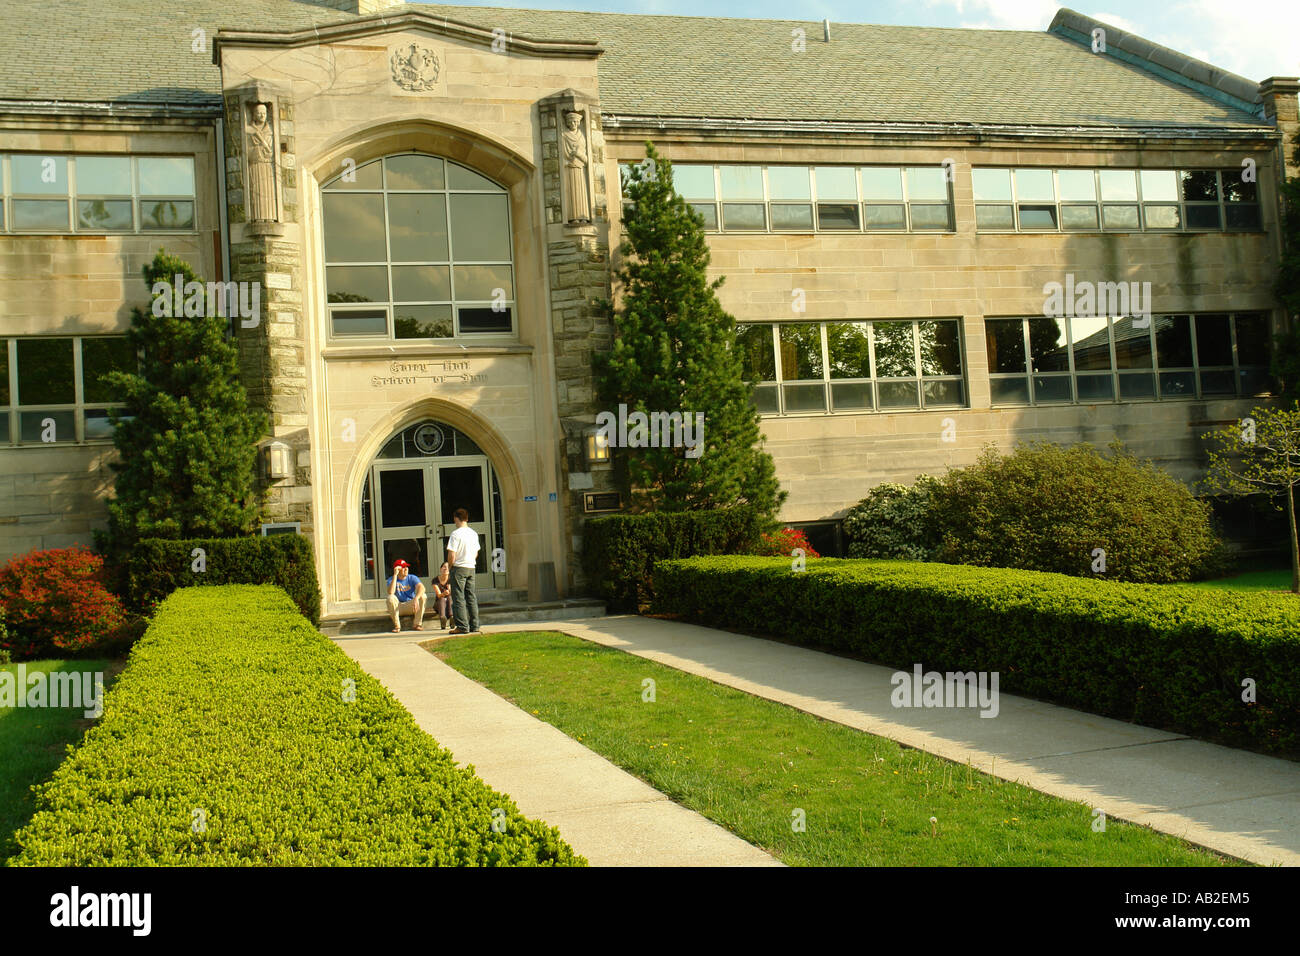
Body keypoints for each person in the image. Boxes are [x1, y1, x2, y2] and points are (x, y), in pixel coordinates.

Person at [445, 508, 481, 634]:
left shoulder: (456, 534)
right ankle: (475, 625)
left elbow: (452, 555)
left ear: (456, 518)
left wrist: (450, 566)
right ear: (467, 518)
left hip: (459, 567)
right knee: (471, 596)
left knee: (458, 597)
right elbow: (476, 553)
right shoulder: (473, 533)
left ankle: (462, 626)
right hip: (471, 567)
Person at [385, 558, 426, 633]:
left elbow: (422, 587)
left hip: (412, 606)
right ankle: (397, 626)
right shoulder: (391, 579)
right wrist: (395, 575)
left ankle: (417, 624)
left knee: (423, 596)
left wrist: (416, 598)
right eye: (403, 567)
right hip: (398, 607)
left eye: (406, 566)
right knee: (390, 598)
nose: (406, 568)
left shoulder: (412, 577)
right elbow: (391, 592)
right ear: (397, 569)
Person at [431, 562, 453, 630]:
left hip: (449, 603)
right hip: (439, 603)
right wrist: (444, 593)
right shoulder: (435, 580)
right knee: (442, 599)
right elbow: (438, 595)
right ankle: (443, 618)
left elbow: (451, 593)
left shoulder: (451, 579)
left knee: (449, 598)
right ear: (440, 569)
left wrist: (449, 591)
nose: (446, 568)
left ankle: (452, 618)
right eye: (444, 566)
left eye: (447, 567)